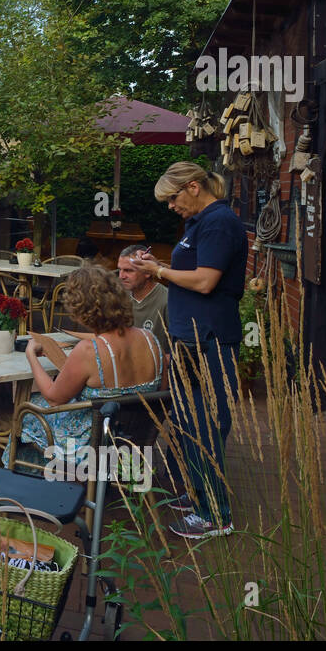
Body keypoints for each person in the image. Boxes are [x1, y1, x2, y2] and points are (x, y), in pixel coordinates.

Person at [122, 161, 246, 539]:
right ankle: (198, 498)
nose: (170, 207)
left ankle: (216, 515)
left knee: (206, 425)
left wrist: (158, 272)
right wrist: (157, 265)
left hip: (209, 339)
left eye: (173, 198)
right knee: (188, 423)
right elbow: (190, 272)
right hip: (190, 340)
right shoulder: (198, 223)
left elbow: (206, 281)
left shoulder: (218, 222)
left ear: (193, 187)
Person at [5, 264, 164, 471]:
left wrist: (31, 356)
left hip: (92, 444)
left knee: (26, 410)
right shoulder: (151, 340)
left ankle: (51, 484)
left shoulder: (90, 350)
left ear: (81, 309)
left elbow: (54, 398)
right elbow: (160, 396)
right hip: (133, 440)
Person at [117, 244, 169, 357]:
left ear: (147, 272)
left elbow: (180, 354)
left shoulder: (167, 301)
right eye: (119, 270)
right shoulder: (120, 296)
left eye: (128, 270)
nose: (121, 276)